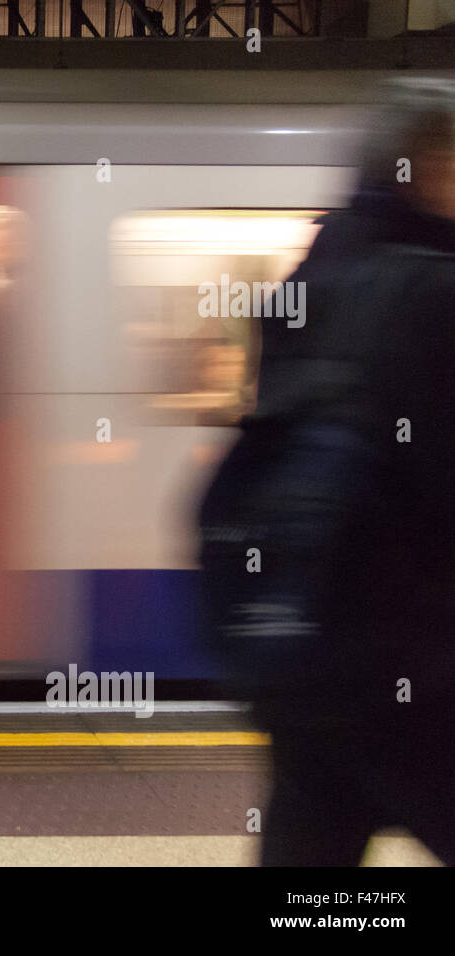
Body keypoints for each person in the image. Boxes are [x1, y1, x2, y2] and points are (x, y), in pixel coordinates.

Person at [198, 79, 455, 866]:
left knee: (311, 849)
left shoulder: (309, 278)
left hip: (300, 640)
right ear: (433, 165)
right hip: (412, 659)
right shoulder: (435, 291)